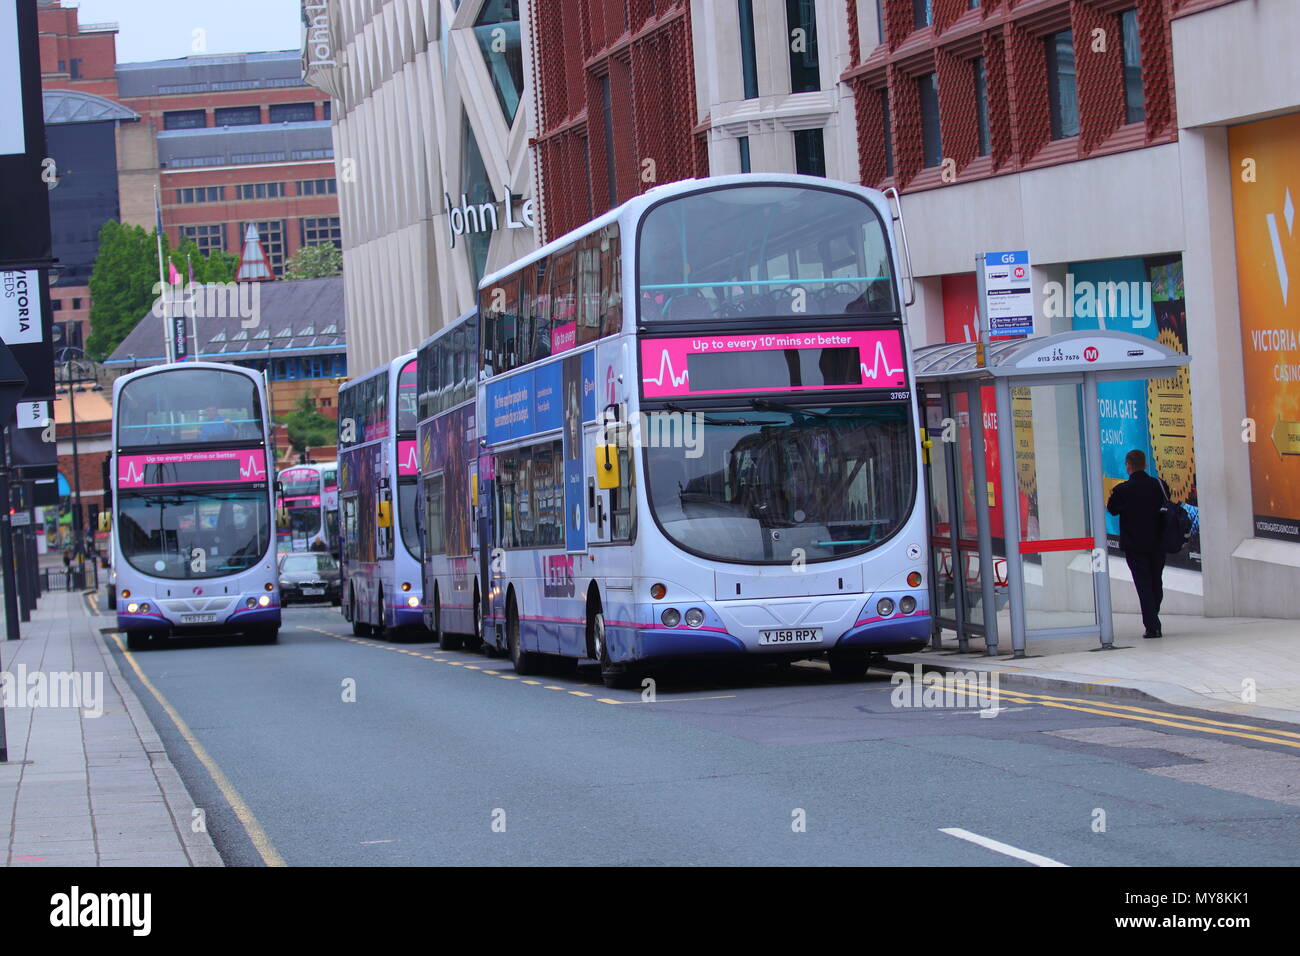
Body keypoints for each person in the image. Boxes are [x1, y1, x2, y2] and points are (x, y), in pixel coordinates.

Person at [1106, 449, 1172, 639]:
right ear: (1144, 464)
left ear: (1128, 465)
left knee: (1143, 584)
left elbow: (1112, 509)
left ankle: (1152, 626)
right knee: (1155, 581)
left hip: (1135, 545)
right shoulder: (1159, 485)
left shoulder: (1122, 490)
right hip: (1157, 542)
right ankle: (1153, 616)